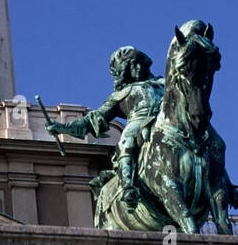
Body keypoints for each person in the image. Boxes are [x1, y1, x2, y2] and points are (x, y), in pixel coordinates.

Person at [46, 46, 163, 206]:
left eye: (139, 63)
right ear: (124, 71)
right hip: (139, 124)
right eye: (132, 64)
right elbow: (94, 119)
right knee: (126, 141)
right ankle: (128, 186)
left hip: (166, 123)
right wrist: (62, 128)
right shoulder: (122, 94)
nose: (138, 67)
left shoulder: (163, 84)